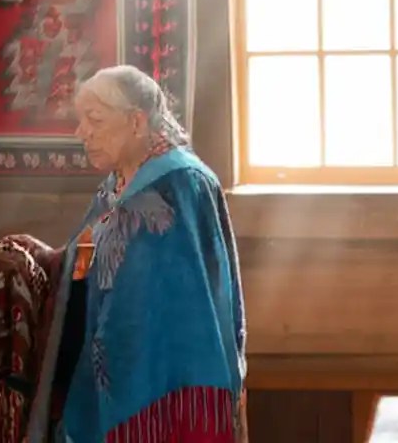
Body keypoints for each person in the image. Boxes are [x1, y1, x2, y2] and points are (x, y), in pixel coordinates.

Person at [14, 65, 247, 443]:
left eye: (94, 120)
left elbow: (188, 303)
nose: (81, 133)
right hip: (107, 372)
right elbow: (89, 252)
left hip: (165, 384)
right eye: (80, 120)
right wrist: (52, 259)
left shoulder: (181, 183)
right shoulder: (118, 184)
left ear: (137, 122)